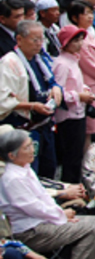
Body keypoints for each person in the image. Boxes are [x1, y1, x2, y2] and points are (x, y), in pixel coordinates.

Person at [0, 128, 95, 259]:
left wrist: (60, 216)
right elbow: (33, 207)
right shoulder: (11, 178)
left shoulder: (25, 169)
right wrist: (60, 216)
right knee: (92, 226)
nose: (32, 149)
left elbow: (43, 196)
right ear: (12, 155)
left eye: (31, 145)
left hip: (42, 222)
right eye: (26, 147)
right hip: (30, 231)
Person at [0, 20, 62, 178]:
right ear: (19, 40)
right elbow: (3, 100)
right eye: (35, 40)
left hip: (45, 125)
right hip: (24, 128)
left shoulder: (40, 57)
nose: (39, 44)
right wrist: (32, 106)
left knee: (49, 169)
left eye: (42, 39)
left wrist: (56, 88)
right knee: (29, 174)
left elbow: (52, 80)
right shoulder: (9, 62)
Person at [51, 24, 95, 184]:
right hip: (68, 116)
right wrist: (79, 96)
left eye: (80, 40)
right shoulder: (62, 64)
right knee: (71, 155)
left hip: (79, 112)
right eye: (75, 40)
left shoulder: (73, 61)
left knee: (77, 154)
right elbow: (58, 92)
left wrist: (85, 90)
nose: (79, 44)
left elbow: (76, 83)